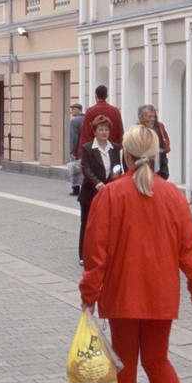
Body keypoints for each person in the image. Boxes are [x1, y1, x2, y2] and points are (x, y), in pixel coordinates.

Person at [80, 124, 192, 383]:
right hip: (161, 295)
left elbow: (96, 253)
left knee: (125, 366)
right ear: (156, 155)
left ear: (126, 153)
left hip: (122, 296)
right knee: (157, 360)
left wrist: (89, 293)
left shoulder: (110, 195)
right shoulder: (173, 196)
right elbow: (190, 251)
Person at [77, 114, 122, 264]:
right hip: (91, 192)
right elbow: (86, 168)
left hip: (109, 191)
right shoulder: (88, 148)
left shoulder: (115, 148)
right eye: (101, 129)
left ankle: (106, 253)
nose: (104, 132)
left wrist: (116, 176)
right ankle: (83, 255)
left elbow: (117, 166)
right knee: (87, 224)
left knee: (108, 224)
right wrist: (97, 183)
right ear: (95, 131)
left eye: (106, 129)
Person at [79, 84, 123, 157]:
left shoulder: (90, 111)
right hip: (113, 151)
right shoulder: (115, 111)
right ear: (107, 96)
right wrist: (120, 147)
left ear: (95, 96)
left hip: (94, 153)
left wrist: (81, 154)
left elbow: (86, 134)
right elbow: (120, 132)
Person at [137, 104, 172, 181]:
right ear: (140, 118)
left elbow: (166, 144)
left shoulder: (159, 127)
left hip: (160, 171)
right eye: (149, 117)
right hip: (143, 172)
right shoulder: (135, 132)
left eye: (154, 116)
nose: (152, 119)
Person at [66, 102, 85, 196]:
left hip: (78, 149)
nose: (71, 111)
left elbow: (74, 137)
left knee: (75, 170)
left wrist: (72, 151)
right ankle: (84, 187)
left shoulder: (74, 121)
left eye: (73, 109)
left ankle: (76, 189)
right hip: (87, 149)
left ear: (77, 109)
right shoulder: (86, 119)